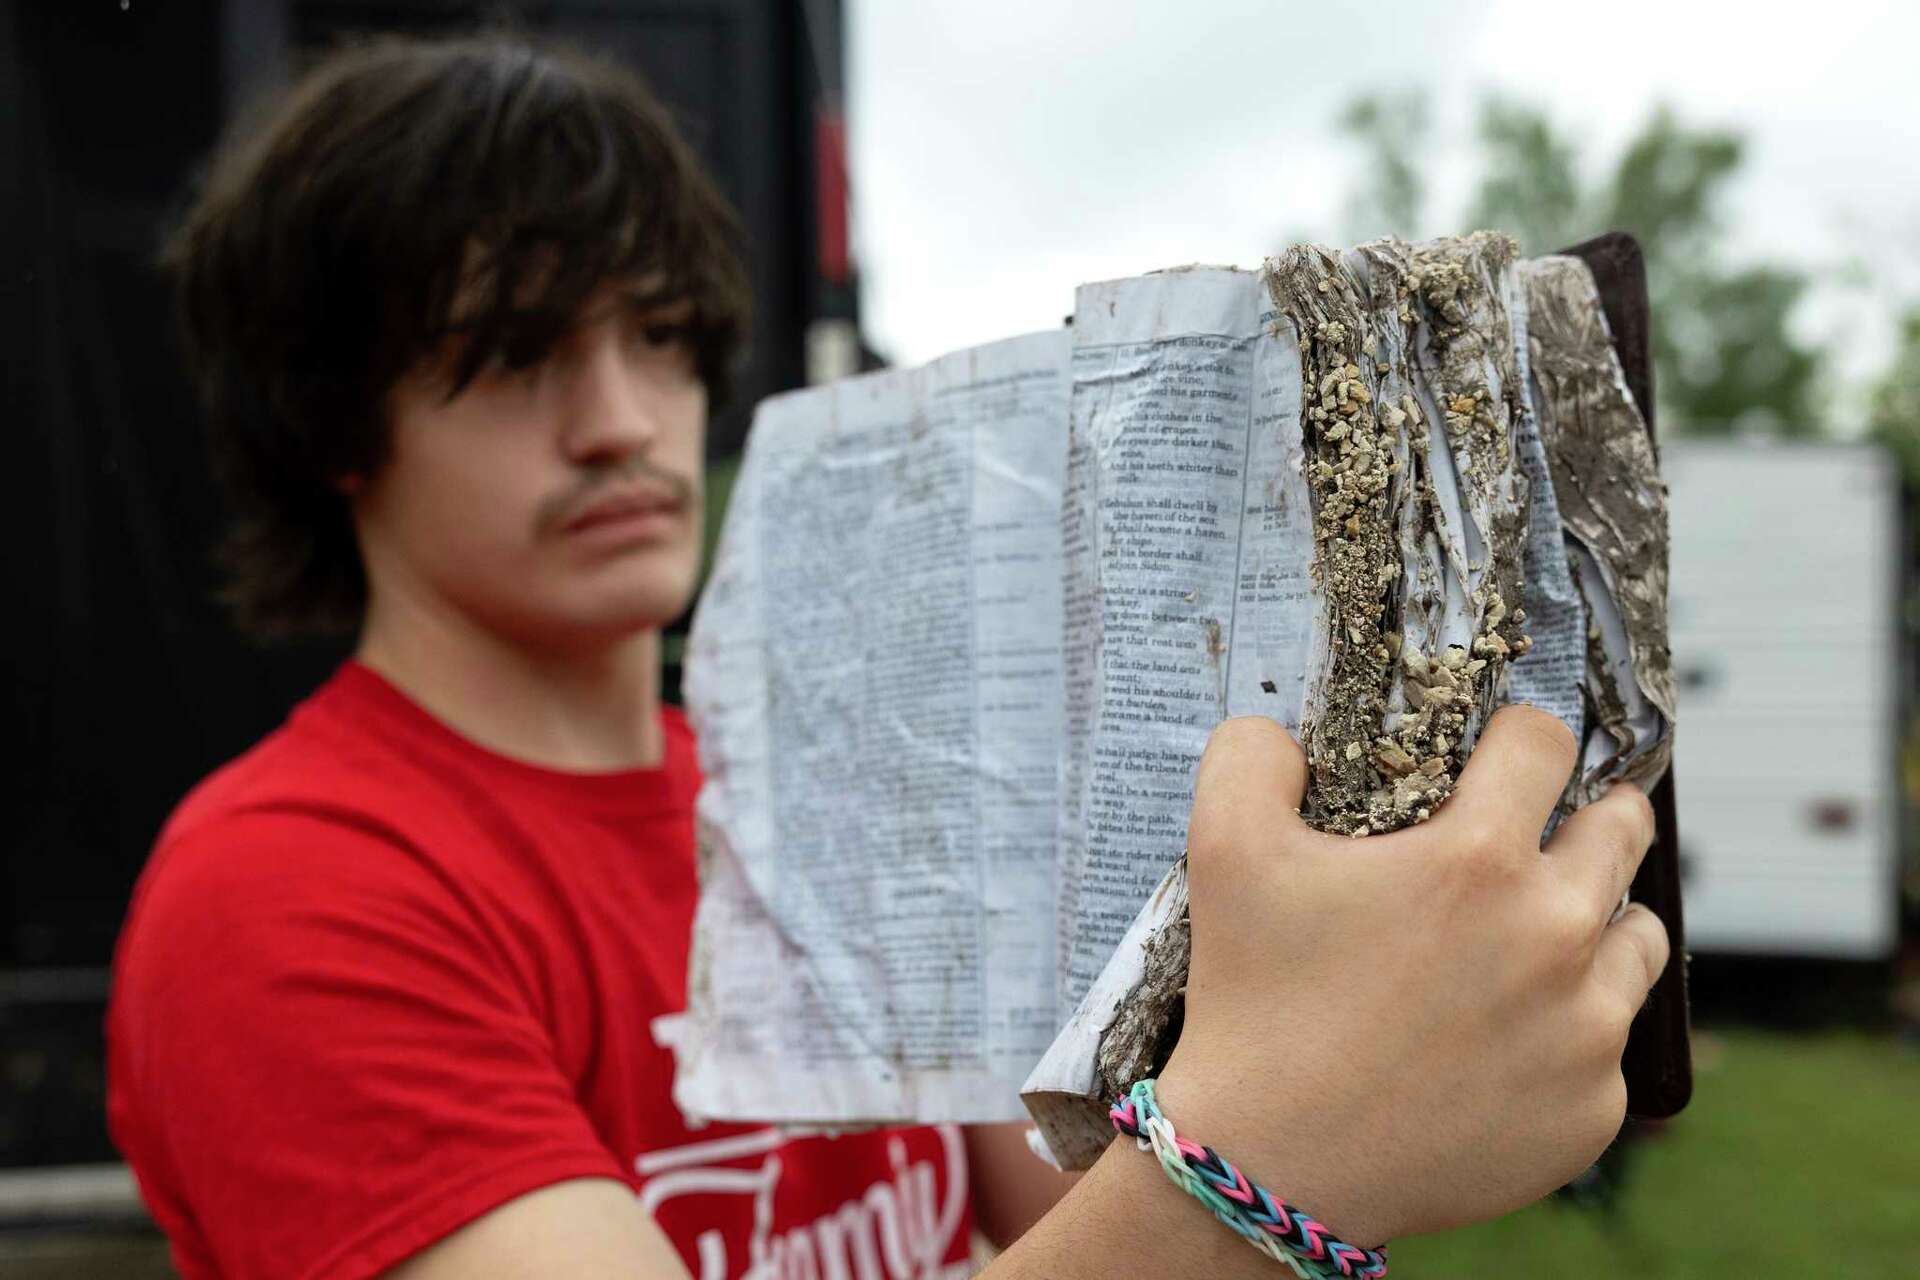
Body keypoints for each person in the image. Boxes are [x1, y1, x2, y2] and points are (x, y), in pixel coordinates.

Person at [105, 30, 1671, 1280]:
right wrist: (1272, 1161)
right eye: (516, 355)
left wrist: (1363, 1041)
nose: (623, 418)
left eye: (659, 335)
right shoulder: (282, 888)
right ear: (329, 427)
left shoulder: (811, 803)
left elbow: (1052, 1222)